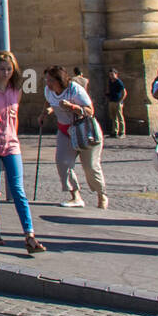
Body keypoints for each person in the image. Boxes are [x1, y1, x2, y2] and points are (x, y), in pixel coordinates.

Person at [0, 52, 45, 253]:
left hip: (12, 143)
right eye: (2, 68)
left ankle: (29, 235)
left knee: (18, 189)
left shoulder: (16, 90)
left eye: (9, 69)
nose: (6, 72)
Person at [44, 65, 108, 209]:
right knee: (63, 162)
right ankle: (75, 196)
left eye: (51, 80)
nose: (48, 83)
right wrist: (45, 113)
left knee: (90, 166)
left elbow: (90, 111)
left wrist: (72, 107)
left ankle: (101, 195)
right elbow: (49, 102)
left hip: (85, 131)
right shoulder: (48, 90)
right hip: (64, 132)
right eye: (46, 80)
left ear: (59, 80)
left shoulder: (75, 90)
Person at [106, 68, 127, 138]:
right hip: (111, 101)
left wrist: (120, 100)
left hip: (117, 101)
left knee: (120, 117)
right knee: (113, 117)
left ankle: (122, 132)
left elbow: (124, 92)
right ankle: (114, 131)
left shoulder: (119, 82)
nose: (111, 76)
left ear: (116, 74)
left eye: (112, 74)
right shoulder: (110, 81)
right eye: (110, 74)